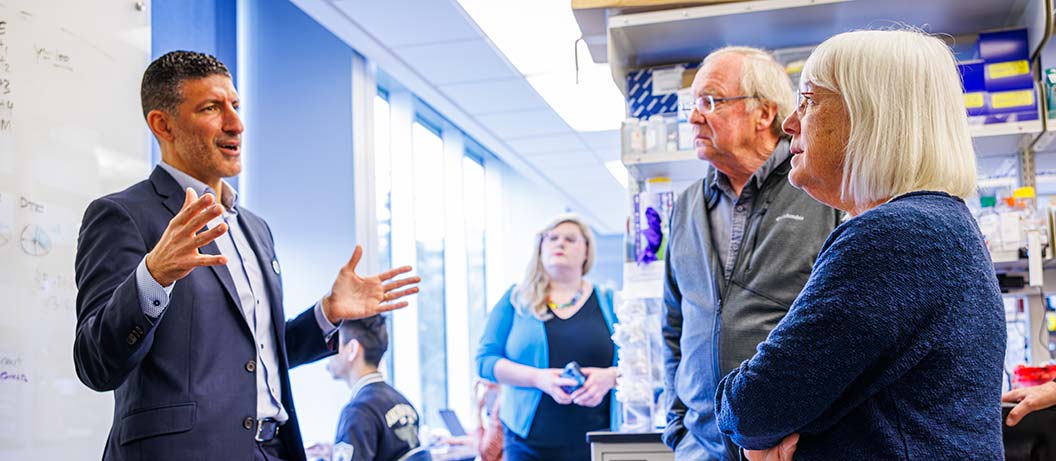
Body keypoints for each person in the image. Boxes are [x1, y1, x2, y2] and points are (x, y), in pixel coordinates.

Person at [73, 50, 420, 461]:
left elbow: (255, 354)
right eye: (211, 108)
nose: (235, 123)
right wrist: (153, 276)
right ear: (162, 125)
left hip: (274, 450)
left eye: (235, 106)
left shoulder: (254, 228)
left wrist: (327, 313)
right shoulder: (123, 215)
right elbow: (95, 363)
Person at [714, 29, 1006, 460]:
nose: (790, 123)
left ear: (872, 114)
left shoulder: (895, 237)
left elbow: (752, 408)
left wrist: (764, 435)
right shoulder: (938, 226)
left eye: (809, 100)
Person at [661, 46, 842, 461]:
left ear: (763, 113)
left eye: (710, 101)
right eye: (693, 104)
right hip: (700, 448)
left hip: (790, 449)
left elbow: (848, 326)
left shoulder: (820, 189)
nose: (694, 117)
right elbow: (673, 324)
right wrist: (677, 426)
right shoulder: (687, 206)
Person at [477, 214, 618, 461]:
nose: (559, 243)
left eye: (570, 239)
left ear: (587, 251)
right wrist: (537, 378)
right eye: (552, 238)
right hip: (527, 444)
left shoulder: (610, 301)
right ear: (540, 248)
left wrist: (611, 376)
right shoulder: (515, 300)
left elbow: (642, 365)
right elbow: (485, 362)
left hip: (598, 443)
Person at [326, 315, 429, 461]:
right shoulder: (401, 401)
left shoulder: (358, 411)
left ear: (352, 350)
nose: (327, 352)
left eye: (334, 344)